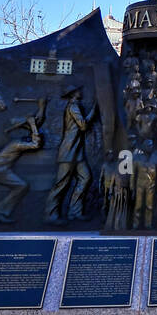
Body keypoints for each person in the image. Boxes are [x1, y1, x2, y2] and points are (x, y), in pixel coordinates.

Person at [45, 85, 96, 223]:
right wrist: (93, 111)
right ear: (74, 94)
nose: (81, 91)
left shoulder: (75, 105)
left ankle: (74, 211)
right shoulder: (73, 106)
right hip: (68, 151)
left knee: (86, 178)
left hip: (77, 151)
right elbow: (83, 125)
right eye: (79, 90)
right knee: (61, 184)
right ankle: (50, 215)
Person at [0, 117, 44, 224]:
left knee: (21, 186)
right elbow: (36, 144)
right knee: (22, 186)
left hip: (0, 170)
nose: (30, 133)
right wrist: (33, 125)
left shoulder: (16, 142)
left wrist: (40, 108)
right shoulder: (16, 144)